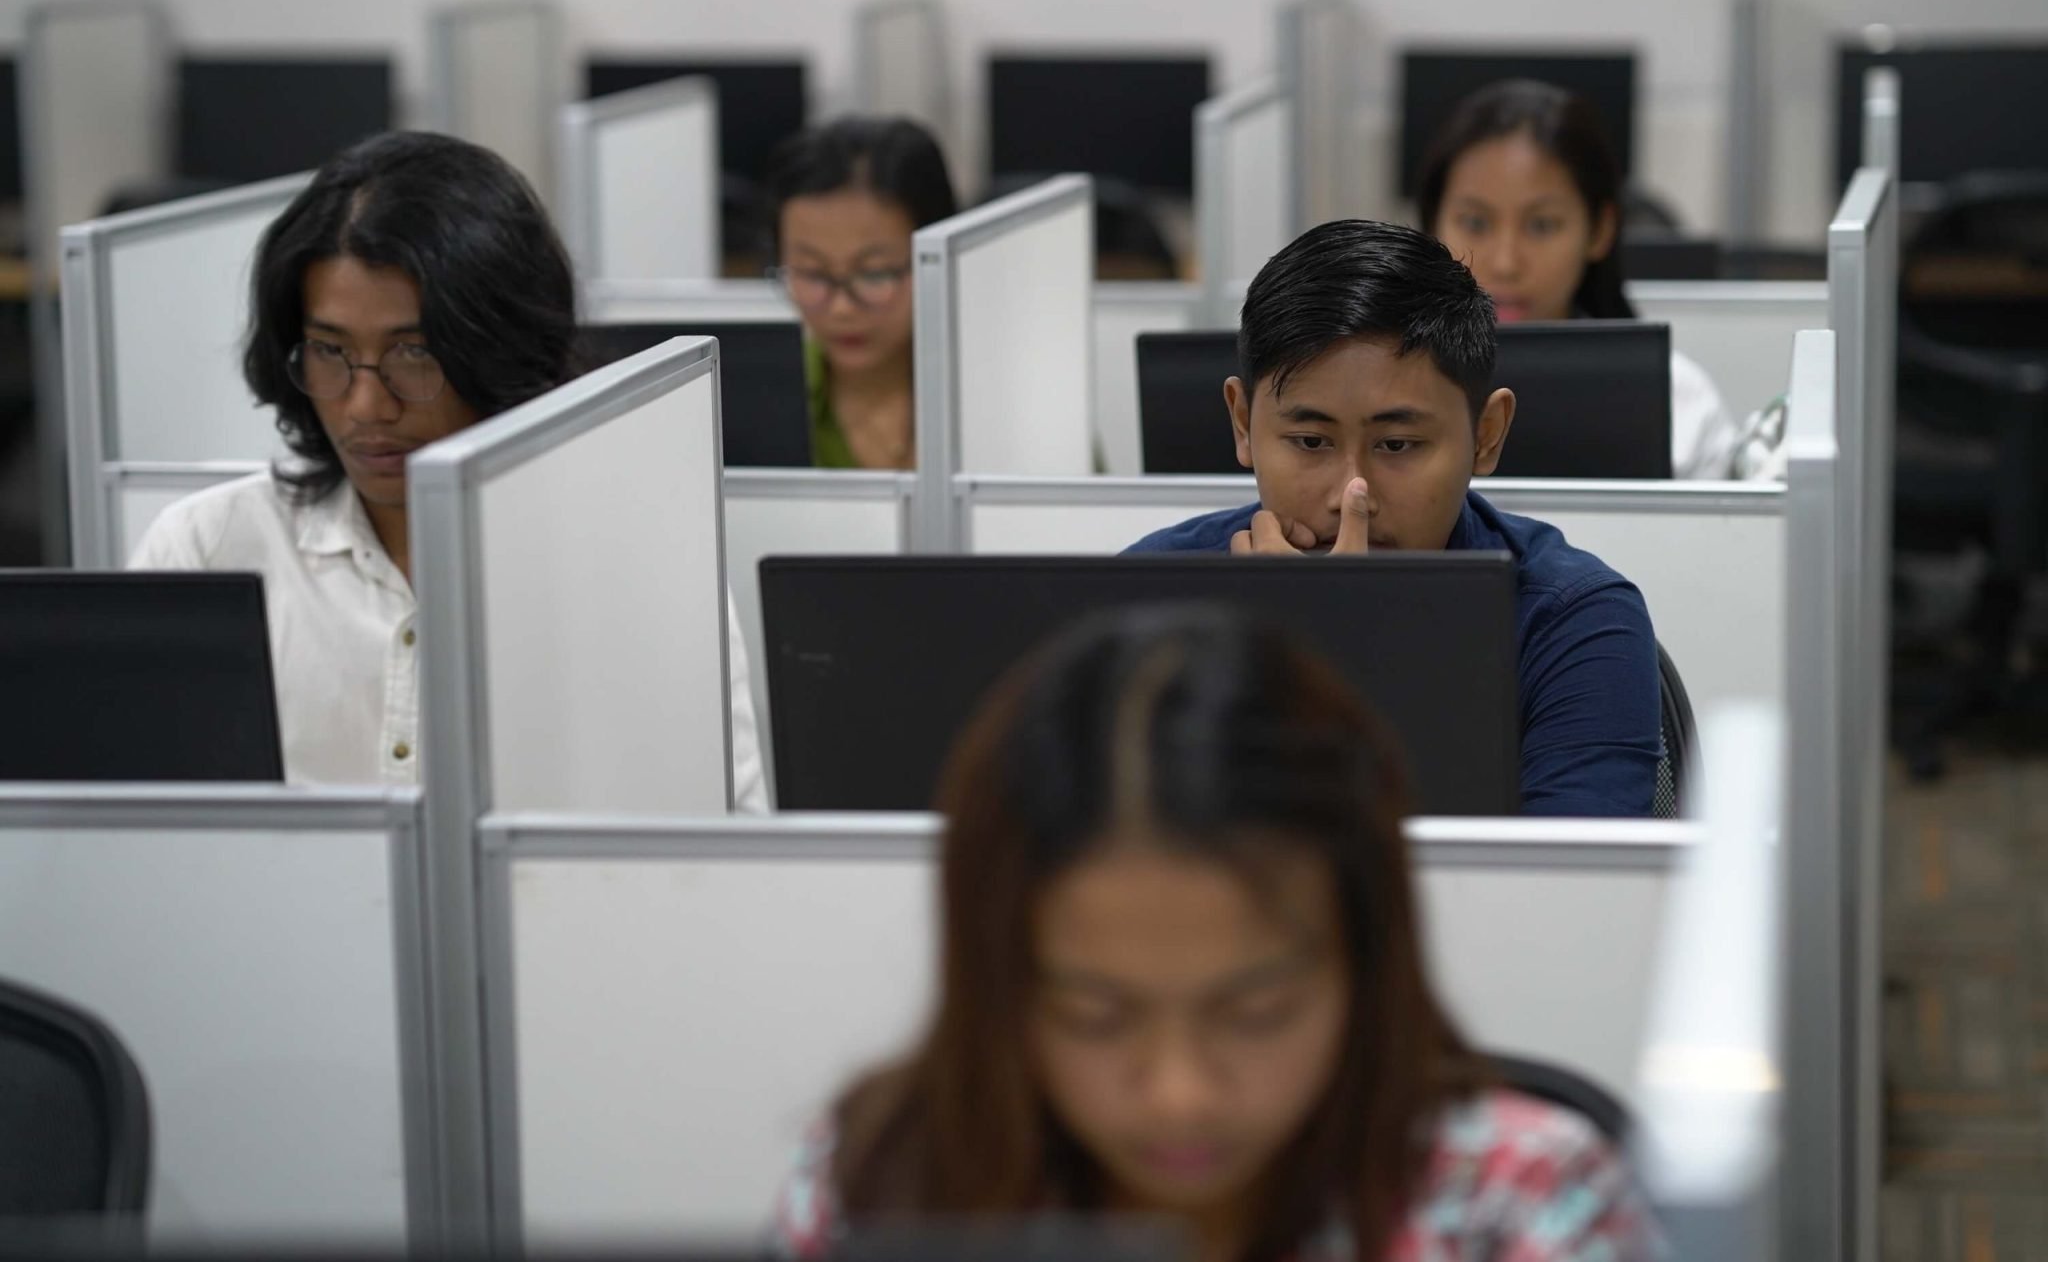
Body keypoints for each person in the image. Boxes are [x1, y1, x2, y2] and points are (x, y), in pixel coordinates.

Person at [774, 605, 1659, 1262]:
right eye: (1095, 1015)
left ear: (1365, 963)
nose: (1179, 1095)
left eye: (1257, 1011)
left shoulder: (1521, 1202)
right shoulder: (877, 1190)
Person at [131, 131, 766, 808]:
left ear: (497, 351)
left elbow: (726, 837)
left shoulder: (637, 563)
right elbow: (144, 845)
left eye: (414, 354)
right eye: (328, 350)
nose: (366, 405)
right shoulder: (207, 551)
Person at [1125, 220, 1660, 818]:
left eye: (1397, 446)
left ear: (1486, 434)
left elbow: (1571, 891)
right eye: (1308, 441)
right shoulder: (1148, 596)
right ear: (1244, 424)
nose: (1351, 494)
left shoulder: (1572, 620)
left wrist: (1341, 660)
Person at [1416, 79, 1741, 479]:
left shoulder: (1681, 401)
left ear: (1599, 231)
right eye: (1475, 223)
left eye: (1541, 226)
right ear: (1432, 226)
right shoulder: (1379, 387)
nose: (1505, 263)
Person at [762, 116, 958, 470]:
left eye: (873, 273)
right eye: (813, 273)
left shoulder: (1010, 395)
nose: (840, 309)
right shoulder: (754, 402)